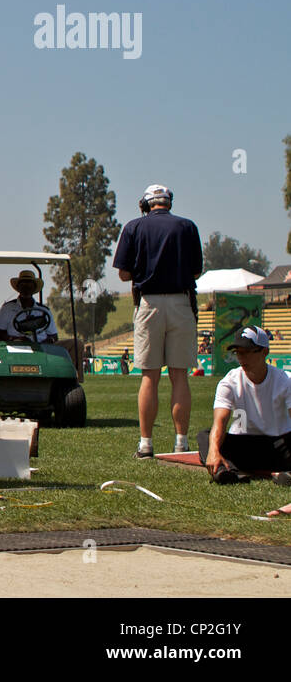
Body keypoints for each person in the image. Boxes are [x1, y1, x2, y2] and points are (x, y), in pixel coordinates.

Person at [112, 184, 203, 459]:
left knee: (149, 377)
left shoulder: (133, 227)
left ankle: (146, 443)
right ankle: (181, 442)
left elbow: (124, 274)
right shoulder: (187, 226)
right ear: (168, 202)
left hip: (149, 303)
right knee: (180, 376)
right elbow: (196, 271)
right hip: (181, 302)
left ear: (146, 203)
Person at [198, 328, 291, 485]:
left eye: (247, 352)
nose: (241, 358)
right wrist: (214, 451)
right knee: (206, 436)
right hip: (244, 445)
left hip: (278, 445)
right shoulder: (229, 382)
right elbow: (220, 421)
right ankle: (225, 472)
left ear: (264, 352)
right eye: (238, 352)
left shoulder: (285, 380)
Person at [0, 270, 56, 343]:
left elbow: (53, 335)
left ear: (34, 288)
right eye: (23, 285)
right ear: (18, 288)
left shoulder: (43, 310)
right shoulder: (7, 308)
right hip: (17, 347)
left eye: (29, 285)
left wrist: (46, 342)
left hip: (42, 347)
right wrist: (14, 339)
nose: (26, 289)